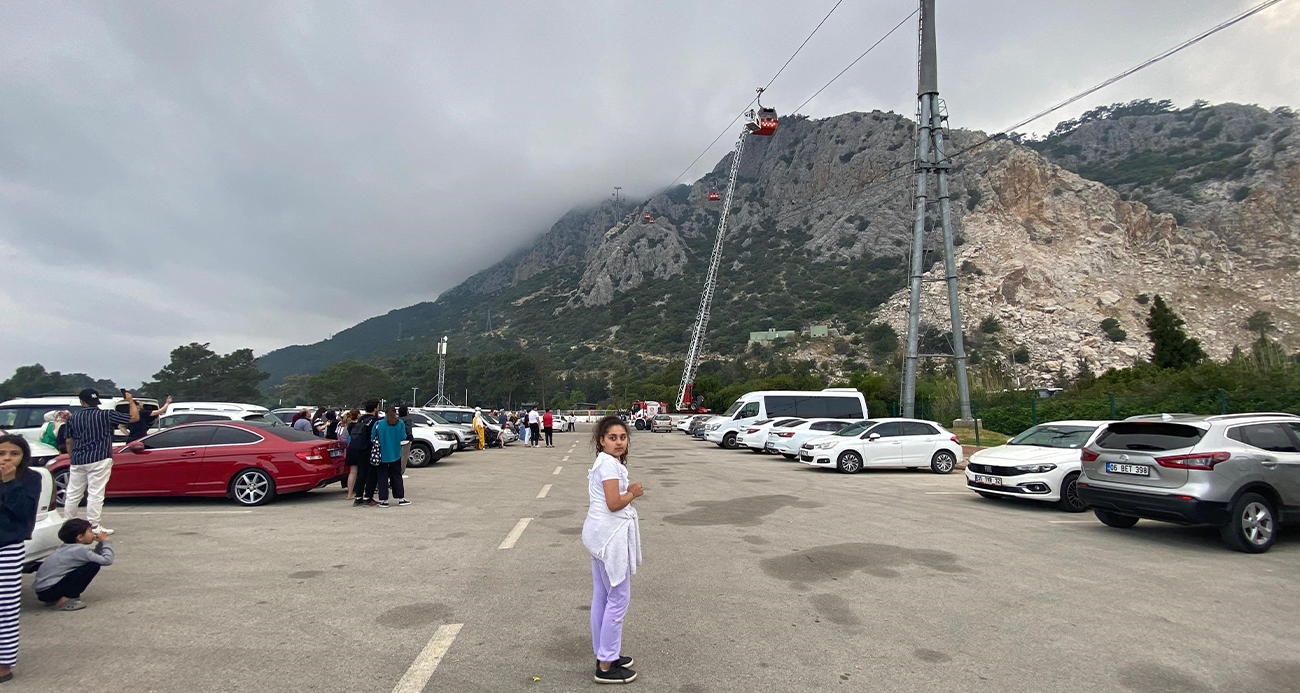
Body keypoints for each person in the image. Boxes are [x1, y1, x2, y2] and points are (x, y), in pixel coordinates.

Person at [582, 416, 642, 684]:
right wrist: (633, 493)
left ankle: (606, 653)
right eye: (613, 438)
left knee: (603, 597)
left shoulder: (606, 462)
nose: (619, 442)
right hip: (609, 540)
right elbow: (614, 503)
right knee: (618, 598)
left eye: (623, 437)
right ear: (601, 440)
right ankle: (606, 665)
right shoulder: (608, 465)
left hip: (598, 537)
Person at [65, 389, 138, 535]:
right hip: (99, 458)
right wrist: (130, 401)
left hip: (78, 459)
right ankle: (93, 525)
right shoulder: (106, 415)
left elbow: (68, 440)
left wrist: (71, 456)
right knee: (95, 493)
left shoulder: (73, 419)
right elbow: (133, 418)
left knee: (73, 493)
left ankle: (68, 523)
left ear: (82, 402)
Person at [0, 435, 41, 683]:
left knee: (4, 608)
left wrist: (9, 481)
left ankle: (4, 662)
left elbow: (24, 512)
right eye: (2, 453)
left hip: (7, 547)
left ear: (23, 456)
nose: (6, 458)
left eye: (13, 453)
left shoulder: (30, 479)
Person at [33, 518, 114, 611]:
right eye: (90, 531)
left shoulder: (67, 547)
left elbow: (94, 556)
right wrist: (106, 542)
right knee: (93, 566)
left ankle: (56, 599)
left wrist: (101, 544)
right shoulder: (80, 550)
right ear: (80, 537)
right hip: (51, 590)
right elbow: (107, 560)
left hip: (43, 592)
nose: (93, 534)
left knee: (91, 563)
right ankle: (67, 600)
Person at [370, 407, 409, 508]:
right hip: (395, 453)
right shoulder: (400, 423)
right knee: (396, 476)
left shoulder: (378, 424)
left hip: (381, 454)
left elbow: (372, 437)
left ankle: (384, 500)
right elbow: (403, 437)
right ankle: (400, 498)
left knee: (382, 477)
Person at [350, 401, 382, 507]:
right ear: (375, 408)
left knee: (361, 473)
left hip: (357, 448)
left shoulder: (361, 419)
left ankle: (358, 497)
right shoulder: (374, 421)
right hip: (368, 449)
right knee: (371, 474)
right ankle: (368, 497)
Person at [337, 410, 359, 496]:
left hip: (350, 449)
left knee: (352, 472)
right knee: (361, 472)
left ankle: (349, 494)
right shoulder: (360, 426)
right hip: (359, 449)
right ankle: (361, 492)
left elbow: (343, 439)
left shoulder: (347, 427)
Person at [397, 406, 415, 477]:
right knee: (404, 457)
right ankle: (400, 472)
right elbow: (408, 429)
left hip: (397, 440)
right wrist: (410, 438)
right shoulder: (408, 419)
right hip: (406, 440)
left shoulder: (397, 419)